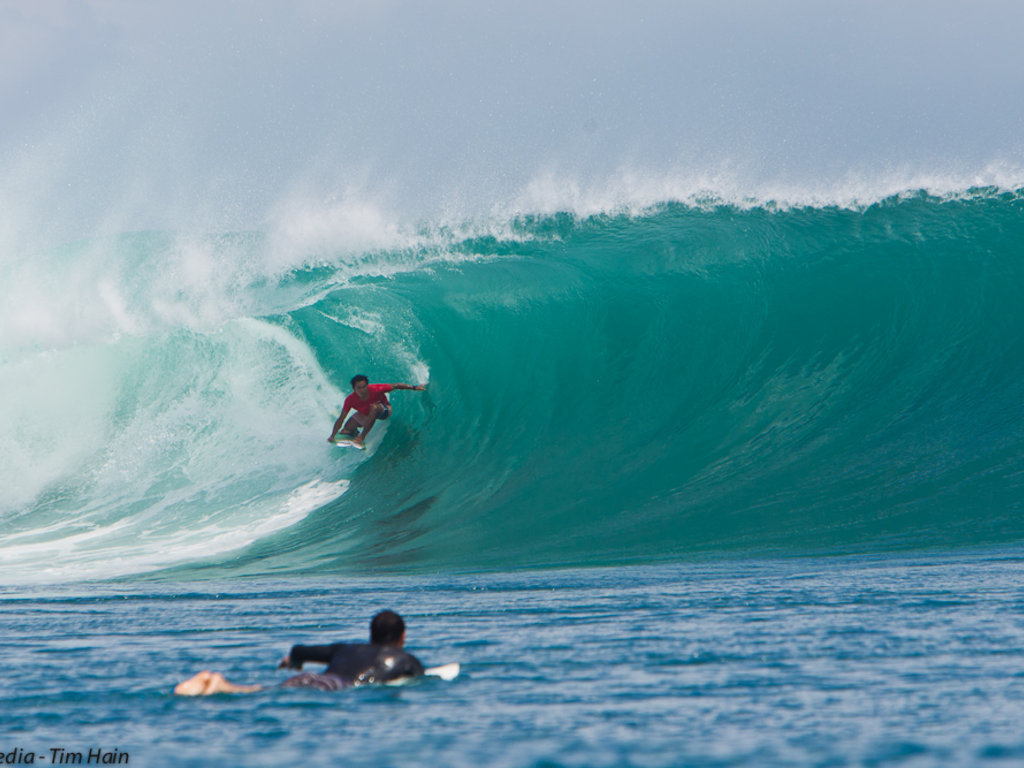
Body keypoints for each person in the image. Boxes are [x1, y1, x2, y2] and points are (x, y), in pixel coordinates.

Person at [173, 610, 424, 696]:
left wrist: (293, 661)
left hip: (313, 678)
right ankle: (218, 685)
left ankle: (218, 682)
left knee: (267, 691)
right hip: (333, 687)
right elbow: (418, 677)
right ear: (402, 637)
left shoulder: (346, 648)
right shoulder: (406, 660)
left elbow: (300, 650)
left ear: (371, 634)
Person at [328, 374, 426, 446]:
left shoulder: (376, 389)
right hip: (366, 414)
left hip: (384, 410)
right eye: (359, 388)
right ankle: (354, 434)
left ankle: (361, 437)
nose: (362, 390)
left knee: (374, 407)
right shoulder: (350, 400)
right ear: (354, 388)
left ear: (367, 385)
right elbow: (341, 418)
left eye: (364, 387)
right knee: (347, 429)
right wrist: (333, 435)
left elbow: (395, 385)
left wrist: (414, 387)